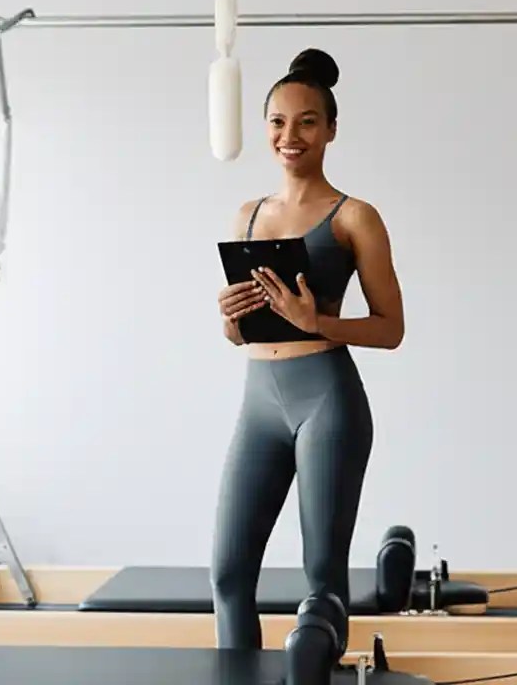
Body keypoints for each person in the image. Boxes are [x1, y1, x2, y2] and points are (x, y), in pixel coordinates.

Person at [210, 47, 405, 650]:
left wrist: (317, 320)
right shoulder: (248, 215)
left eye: (306, 122)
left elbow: (390, 328)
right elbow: (241, 334)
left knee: (322, 582)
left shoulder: (355, 217)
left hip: (328, 401)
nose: (289, 135)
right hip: (259, 404)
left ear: (331, 130)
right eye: (277, 122)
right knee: (228, 575)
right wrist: (229, 318)